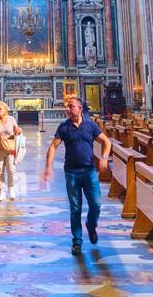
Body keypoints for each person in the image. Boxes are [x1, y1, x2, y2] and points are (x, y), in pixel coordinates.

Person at [41, 95, 111, 255]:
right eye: (67, 106)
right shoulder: (64, 127)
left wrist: (105, 158)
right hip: (71, 172)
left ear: (79, 108)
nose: (67, 108)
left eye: (71, 106)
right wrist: (48, 167)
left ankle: (91, 225)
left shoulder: (90, 126)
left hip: (89, 171)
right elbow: (53, 147)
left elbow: (106, 142)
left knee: (96, 204)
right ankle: (77, 241)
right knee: (75, 208)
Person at [0, 101, 20, 202]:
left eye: (0, 109)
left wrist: (18, 130)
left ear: (6, 111)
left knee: (11, 170)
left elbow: (17, 129)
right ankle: (1, 192)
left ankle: (11, 189)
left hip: (9, 148)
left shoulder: (11, 119)